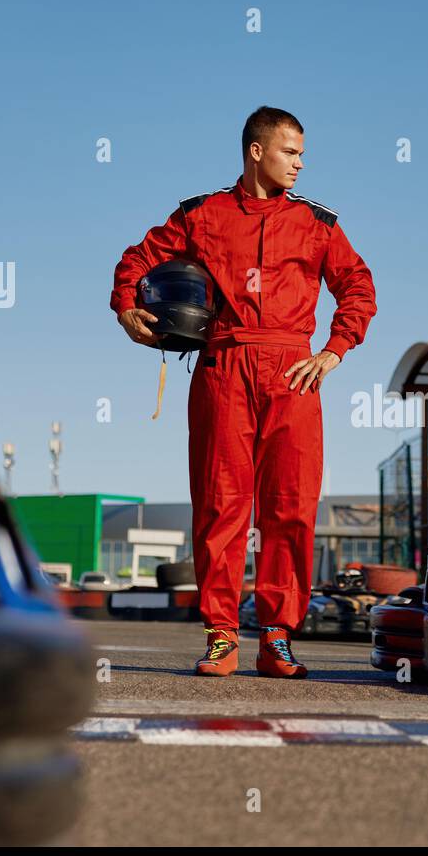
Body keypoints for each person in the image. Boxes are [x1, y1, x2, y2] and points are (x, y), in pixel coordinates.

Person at [110, 107, 376, 678]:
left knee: (291, 507)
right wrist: (127, 305)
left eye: (303, 153)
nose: (300, 164)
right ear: (257, 151)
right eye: (291, 152)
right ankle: (222, 635)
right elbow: (139, 257)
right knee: (220, 504)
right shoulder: (203, 214)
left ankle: (277, 636)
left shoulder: (317, 224)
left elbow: (357, 285)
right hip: (223, 368)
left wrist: (334, 349)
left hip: (292, 371)